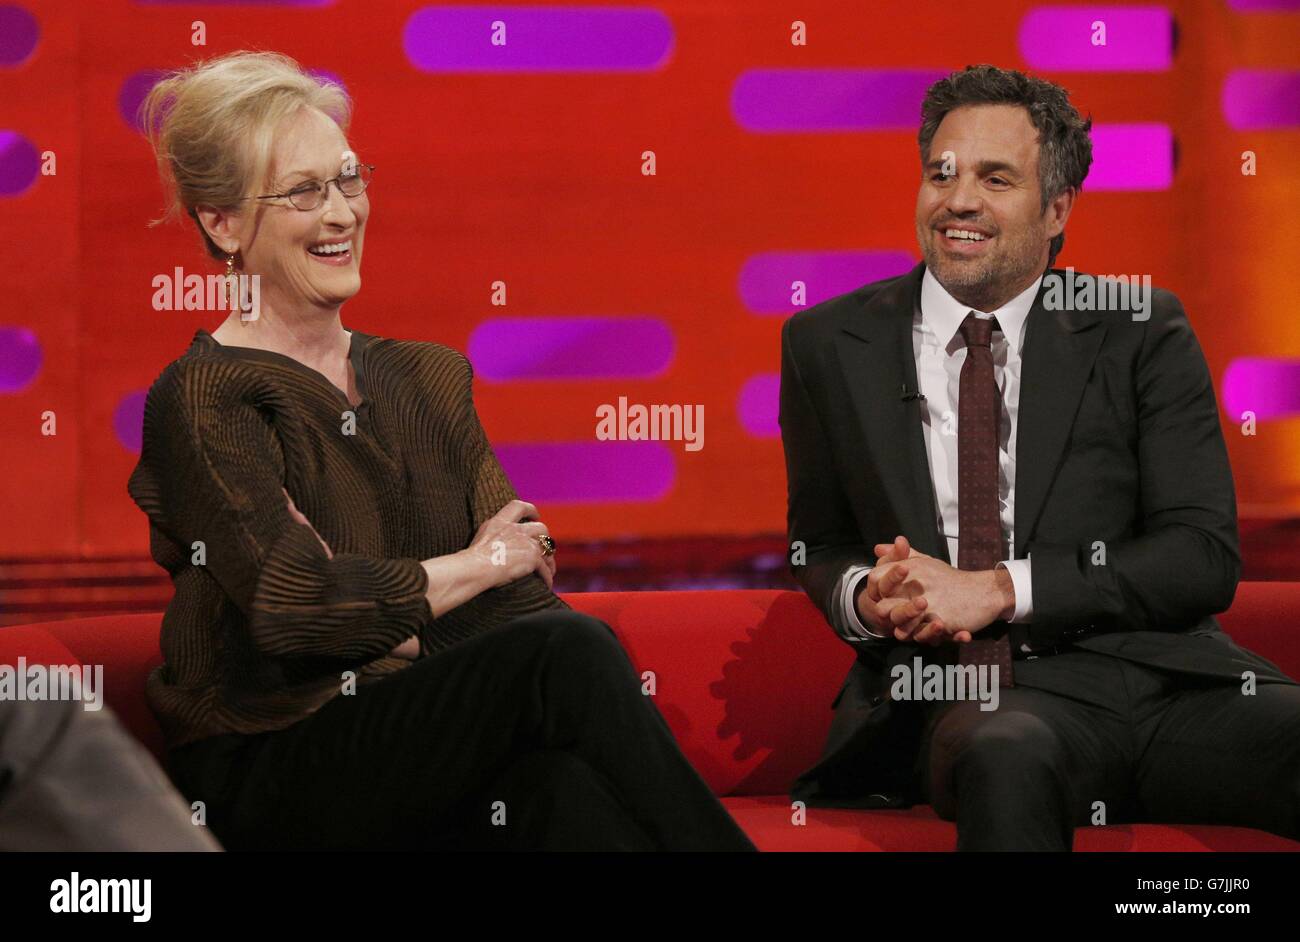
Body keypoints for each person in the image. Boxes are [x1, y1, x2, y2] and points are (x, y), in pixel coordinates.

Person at [127, 51, 754, 851]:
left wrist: (391, 610)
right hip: (272, 763)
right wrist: (472, 568)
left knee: (558, 795)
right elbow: (298, 611)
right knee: (566, 652)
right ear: (221, 222)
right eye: (304, 191)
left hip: (420, 735)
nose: (342, 214)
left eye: (351, 180)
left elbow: (520, 596)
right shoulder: (204, 397)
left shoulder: (428, 377)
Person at [780, 63, 1300, 851]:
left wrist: (995, 589)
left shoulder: (1139, 329)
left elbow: (1200, 556)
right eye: (942, 173)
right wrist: (867, 598)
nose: (958, 201)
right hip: (984, 694)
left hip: (1164, 681)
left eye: (996, 179)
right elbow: (819, 544)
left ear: (1057, 208)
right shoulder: (829, 344)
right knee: (1006, 753)